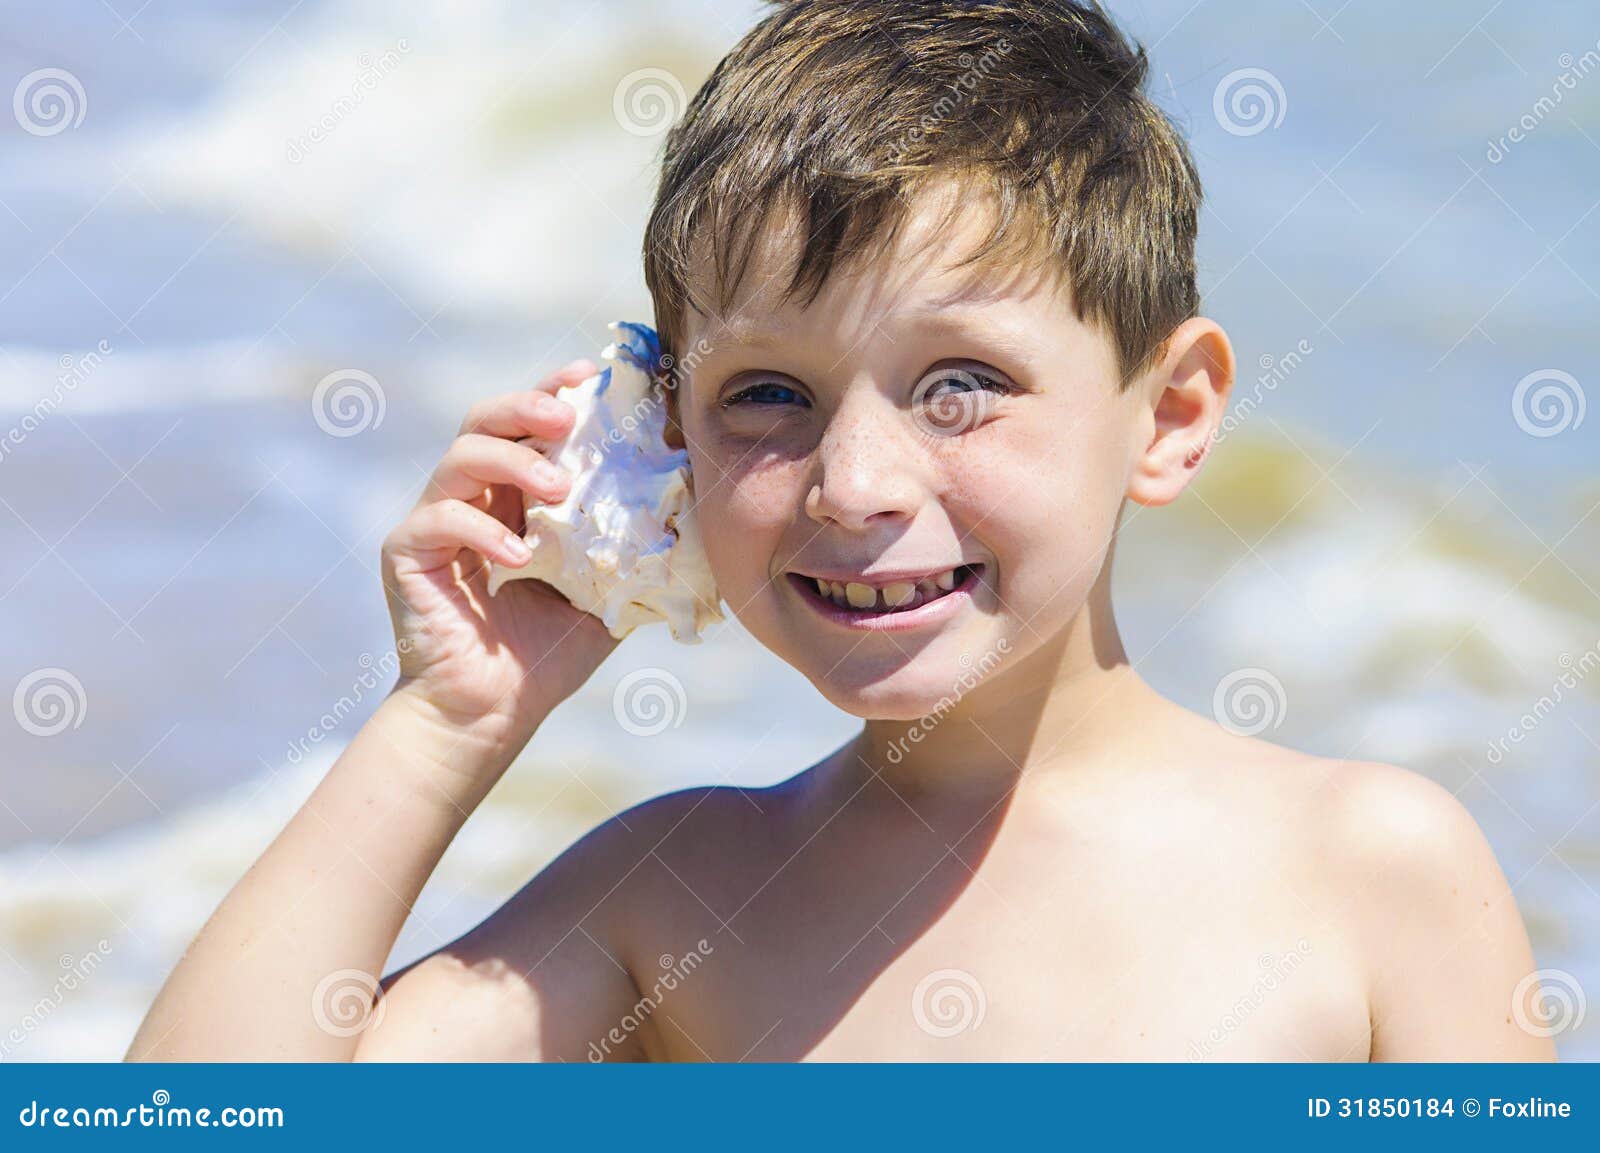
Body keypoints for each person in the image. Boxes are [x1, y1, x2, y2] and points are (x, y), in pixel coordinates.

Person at [129, 0, 1553, 1061]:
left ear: (1170, 413)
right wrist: (445, 723)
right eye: (768, 395)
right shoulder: (678, 900)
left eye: (961, 386)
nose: (855, 482)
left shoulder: (1370, 872)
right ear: (667, 433)